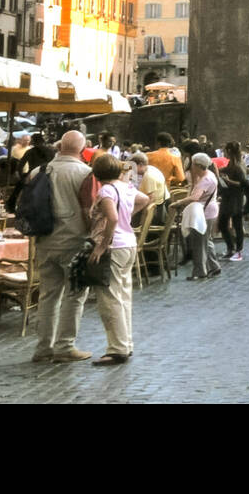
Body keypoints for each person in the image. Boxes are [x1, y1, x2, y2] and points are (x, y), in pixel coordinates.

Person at [32, 131, 95, 363]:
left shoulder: (38, 171)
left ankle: (43, 347)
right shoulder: (85, 173)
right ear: (81, 149)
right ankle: (65, 346)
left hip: (44, 240)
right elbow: (89, 211)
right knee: (75, 294)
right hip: (74, 240)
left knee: (48, 295)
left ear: (59, 146)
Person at [88, 153, 152, 365]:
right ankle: (126, 343)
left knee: (110, 297)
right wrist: (128, 215)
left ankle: (117, 348)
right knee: (124, 295)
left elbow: (112, 218)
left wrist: (102, 245)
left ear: (97, 174)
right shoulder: (126, 187)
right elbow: (144, 199)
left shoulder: (106, 190)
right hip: (129, 243)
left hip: (114, 246)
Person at [173, 152, 221, 279]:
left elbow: (195, 197)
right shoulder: (209, 175)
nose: (191, 167)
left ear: (198, 165)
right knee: (206, 240)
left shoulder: (205, 180)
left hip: (203, 213)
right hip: (209, 211)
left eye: (193, 164)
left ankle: (200, 272)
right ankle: (214, 266)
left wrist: (179, 202)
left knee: (199, 242)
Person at [216, 140, 247, 261]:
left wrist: (229, 181)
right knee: (223, 223)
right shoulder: (232, 164)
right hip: (228, 197)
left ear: (228, 151)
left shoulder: (238, 165)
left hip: (235, 198)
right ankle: (231, 248)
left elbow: (244, 183)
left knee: (237, 224)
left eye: (225, 151)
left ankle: (238, 251)